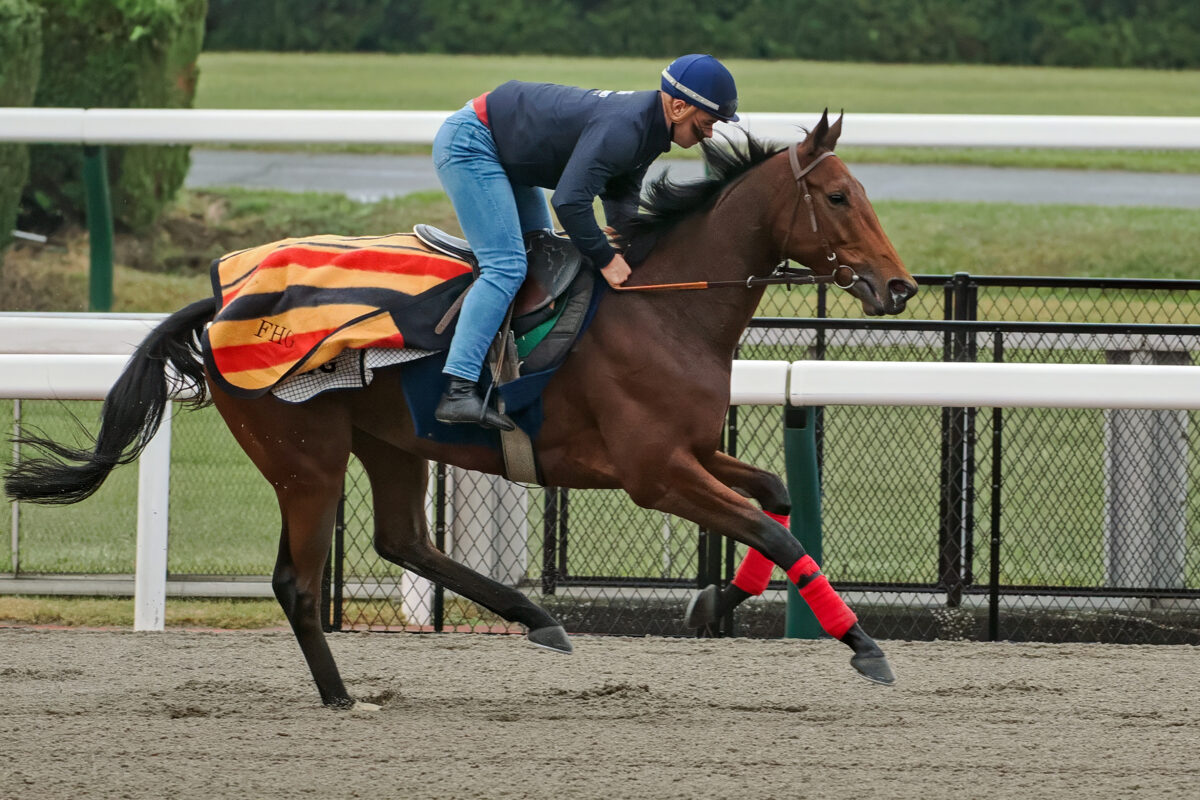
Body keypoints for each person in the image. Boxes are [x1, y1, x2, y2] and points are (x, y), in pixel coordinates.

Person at [432, 54, 740, 430]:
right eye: (707, 123)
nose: (709, 134)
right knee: (508, 265)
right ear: (678, 106)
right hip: (475, 142)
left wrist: (634, 246)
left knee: (545, 257)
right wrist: (606, 257)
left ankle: (510, 373)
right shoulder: (627, 128)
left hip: (509, 152)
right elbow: (569, 202)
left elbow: (620, 192)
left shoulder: (651, 129)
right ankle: (458, 389)